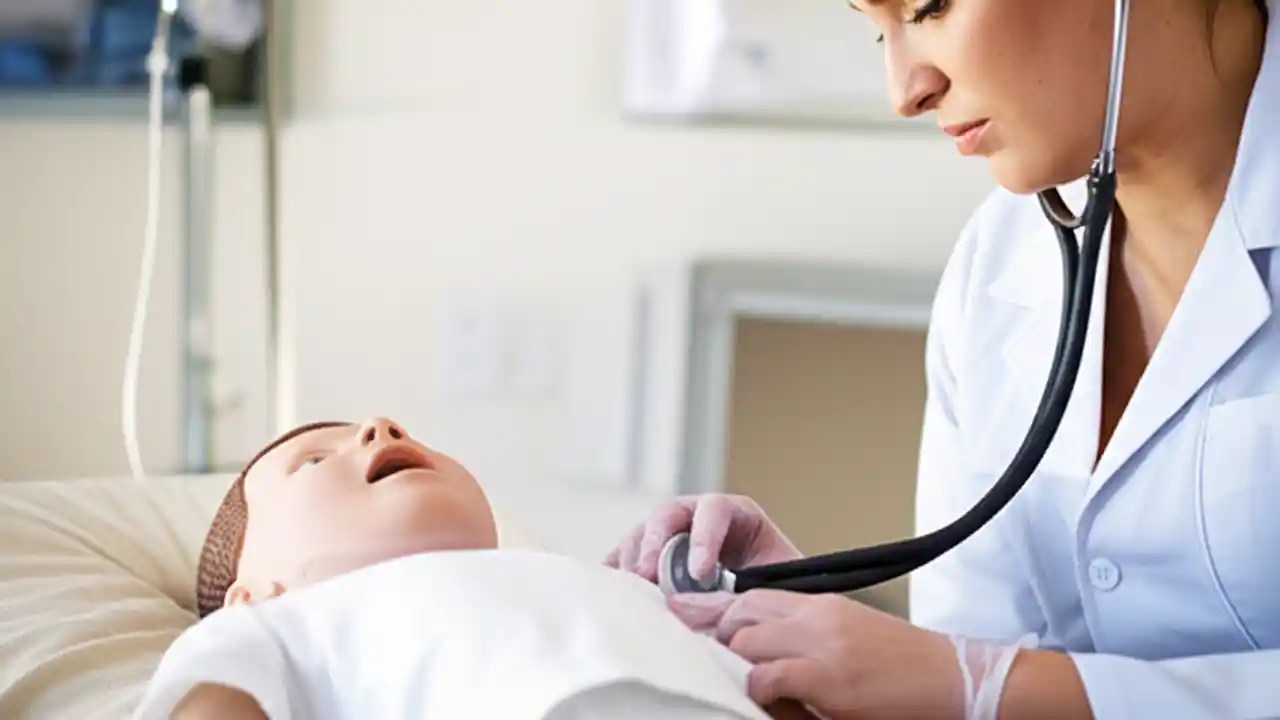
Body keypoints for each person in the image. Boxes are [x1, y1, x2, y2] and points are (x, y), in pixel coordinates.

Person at [608, 0, 1280, 718]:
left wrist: (996, 686)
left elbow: (996, 690)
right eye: (878, 30)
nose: (906, 91)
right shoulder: (996, 261)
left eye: (930, 7)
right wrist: (802, 627)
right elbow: (975, 665)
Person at [135, 418, 810, 720]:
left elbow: (783, 691)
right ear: (251, 593)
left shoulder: (617, 589)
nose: (381, 427)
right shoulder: (281, 625)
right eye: (313, 460)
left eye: (404, 432)